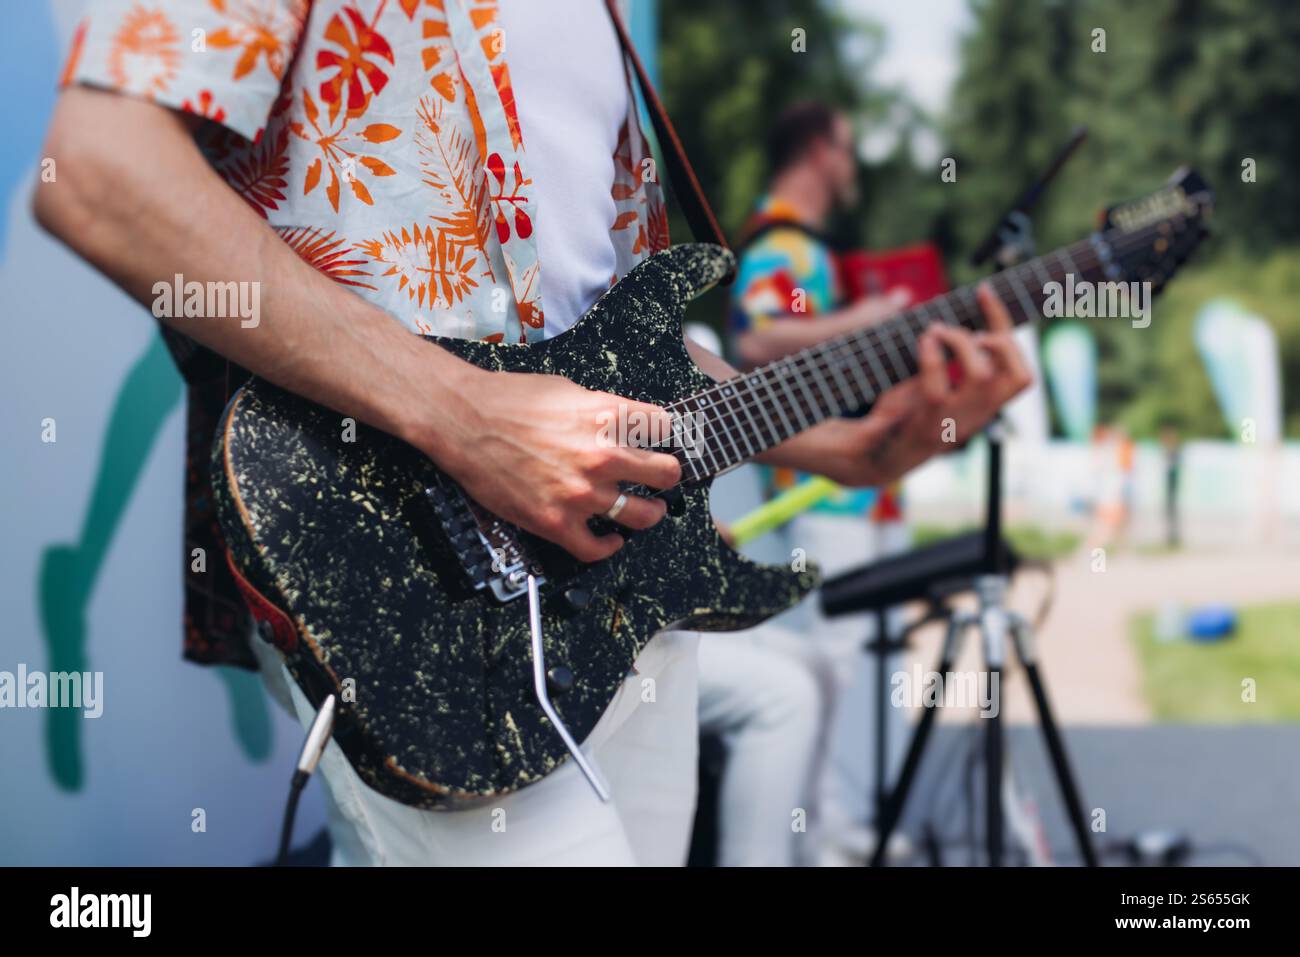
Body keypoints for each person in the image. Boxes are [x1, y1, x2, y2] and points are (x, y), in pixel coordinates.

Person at [35, 0, 1030, 866]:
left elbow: (621, 354)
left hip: (614, 591)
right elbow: (96, 174)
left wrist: (844, 448)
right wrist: (461, 415)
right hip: (401, 569)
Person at [727, 101, 926, 863]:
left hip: (858, 490)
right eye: (847, 148)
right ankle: (833, 836)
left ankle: (844, 826)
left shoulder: (810, 250)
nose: (854, 166)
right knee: (838, 663)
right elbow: (758, 332)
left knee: (866, 663)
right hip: (825, 492)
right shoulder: (782, 242)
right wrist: (871, 317)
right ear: (816, 149)